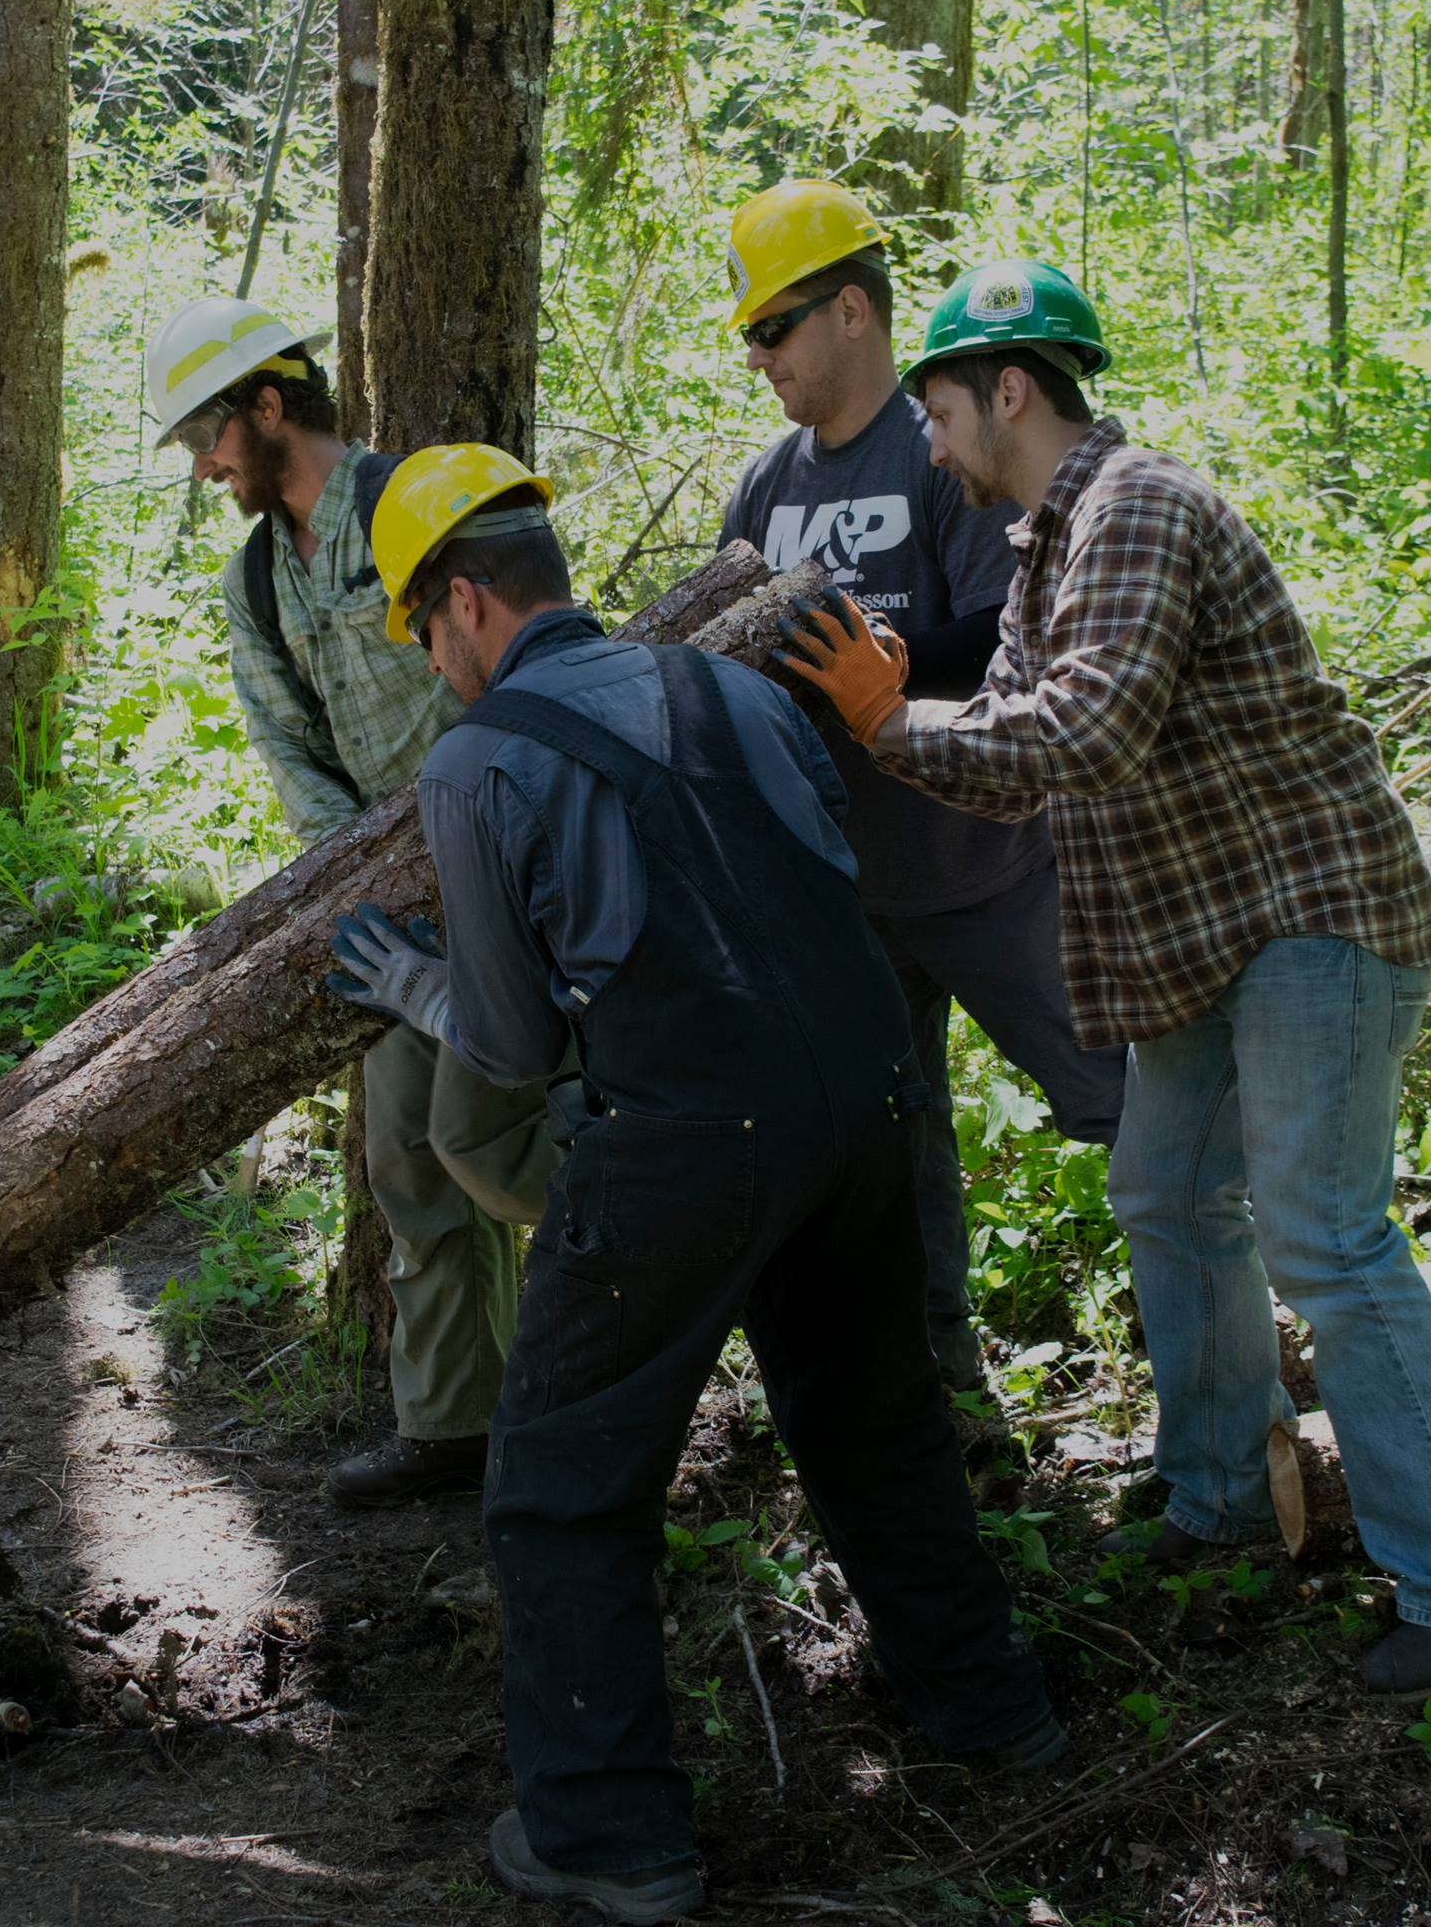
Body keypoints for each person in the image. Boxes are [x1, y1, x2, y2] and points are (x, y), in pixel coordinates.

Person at [326, 443, 1066, 1924]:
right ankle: (992, 1711)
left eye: (420, 626)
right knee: (877, 1425)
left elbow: (519, 1042)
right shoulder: (735, 689)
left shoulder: (477, 764)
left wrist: (406, 981)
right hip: (867, 1096)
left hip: (689, 1131)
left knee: (556, 1481)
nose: (431, 657)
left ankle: (607, 1837)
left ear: (467, 602)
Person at [780, 256, 1431, 1704]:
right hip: (1211, 937)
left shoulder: (1138, 505)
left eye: (943, 411)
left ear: (1009, 389)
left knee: (1328, 1240)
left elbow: (1077, 739)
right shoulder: (1053, 537)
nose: (933, 442)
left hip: (1310, 919)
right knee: (1163, 1189)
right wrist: (917, 690)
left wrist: (890, 719)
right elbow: (1028, 716)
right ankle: (1222, 1497)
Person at [145, 296, 560, 1504]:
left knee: (531, 1148)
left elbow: (529, 651)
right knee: (408, 1161)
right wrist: (369, 887)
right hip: (392, 910)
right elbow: (292, 753)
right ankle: (452, 1427)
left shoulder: (415, 505)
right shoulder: (259, 582)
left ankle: (577, 1404)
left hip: (519, 878)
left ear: (268, 405)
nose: (203, 461)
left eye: (208, 434)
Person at [719, 180, 1126, 1389]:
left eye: (772, 328)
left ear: (851, 311)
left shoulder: (943, 442)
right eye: (747, 335)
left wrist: (870, 679)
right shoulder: (765, 487)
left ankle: (1222, 1355)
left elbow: (1007, 628)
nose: (758, 358)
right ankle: (939, 1382)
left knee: (1124, 1108)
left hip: (988, 864)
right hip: (845, 885)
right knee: (888, 1143)